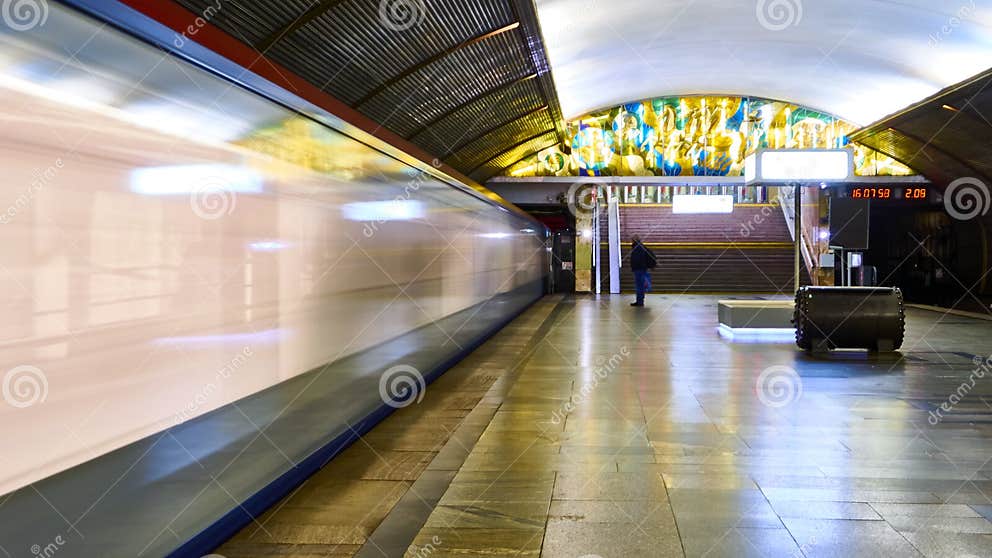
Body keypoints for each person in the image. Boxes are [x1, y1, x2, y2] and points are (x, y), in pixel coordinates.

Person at [629, 235, 656, 306]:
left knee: (639, 286)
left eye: (632, 239)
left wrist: (635, 266)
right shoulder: (641, 247)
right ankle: (640, 301)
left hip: (639, 269)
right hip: (641, 269)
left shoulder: (638, 248)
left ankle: (640, 302)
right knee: (640, 285)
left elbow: (637, 259)